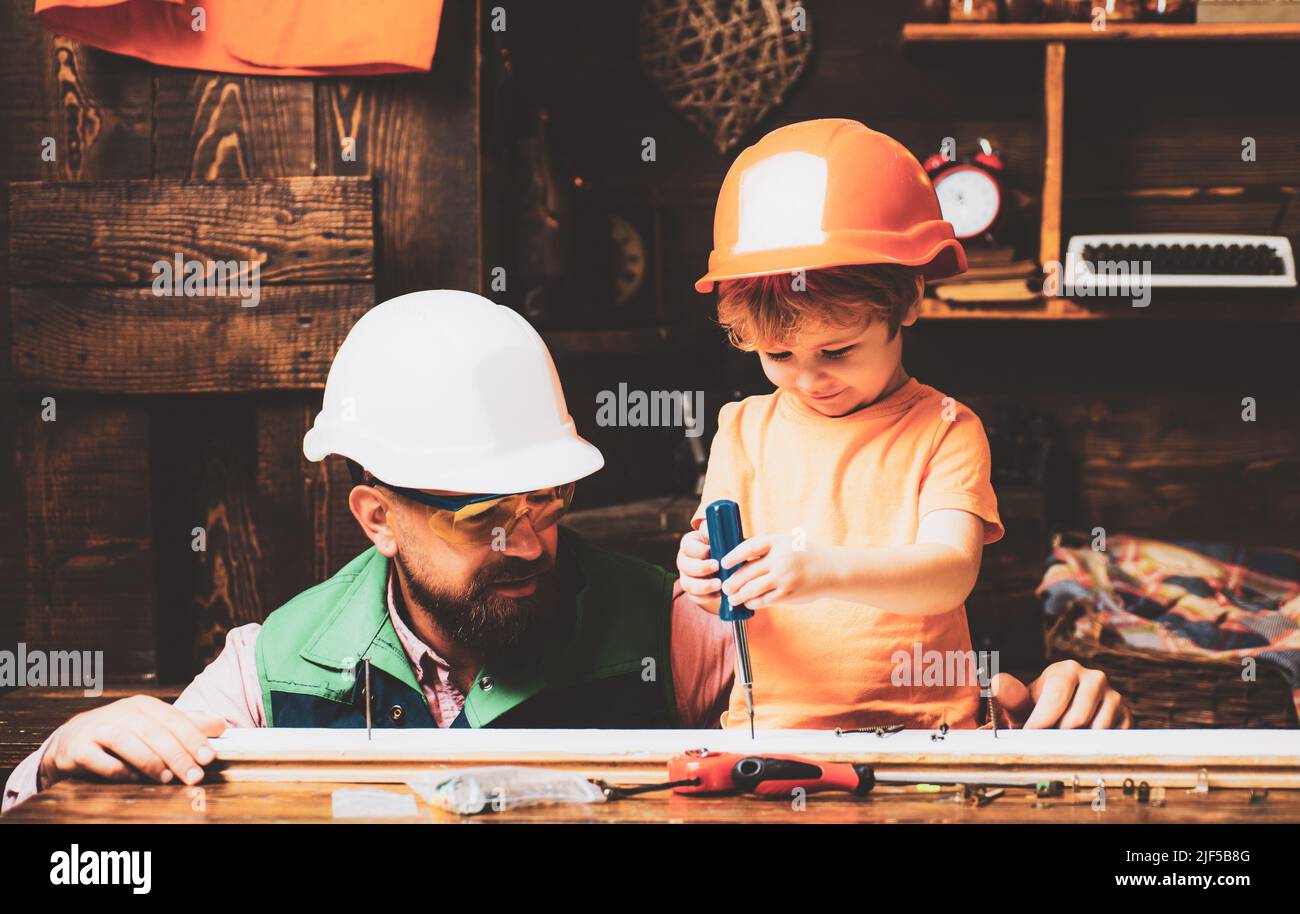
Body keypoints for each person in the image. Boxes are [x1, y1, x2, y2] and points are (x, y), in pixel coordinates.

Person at [4, 287, 1128, 813]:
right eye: (481, 516)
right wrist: (64, 744)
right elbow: (58, 804)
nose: (529, 537)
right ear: (376, 515)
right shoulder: (271, 667)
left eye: (544, 499)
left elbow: (862, 714)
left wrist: (1031, 700)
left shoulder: (672, 632)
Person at [676, 119, 1133, 733]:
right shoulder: (740, 429)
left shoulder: (944, 429)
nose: (810, 380)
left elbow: (948, 574)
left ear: (909, 301)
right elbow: (724, 593)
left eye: (837, 352)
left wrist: (820, 568)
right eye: (778, 356)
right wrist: (703, 576)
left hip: (928, 737)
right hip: (771, 729)